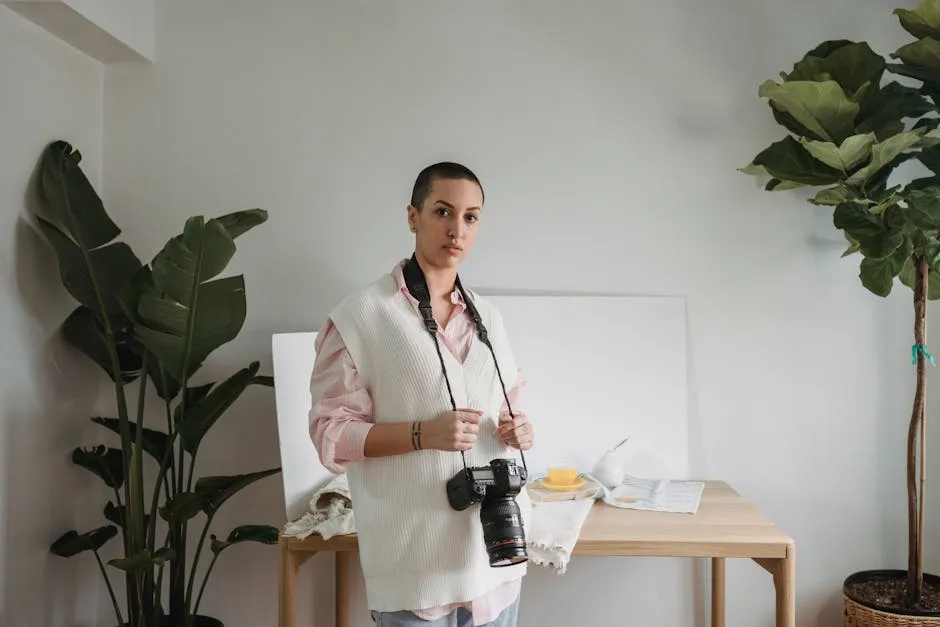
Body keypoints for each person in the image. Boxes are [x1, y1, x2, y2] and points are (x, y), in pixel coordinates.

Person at [308, 162, 536, 627]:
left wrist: (520, 430)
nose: (457, 229)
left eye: (471, 217)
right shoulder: (361, 317)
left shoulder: (489, 317)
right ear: (413, 216)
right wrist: (422, 434)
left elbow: (508, 401)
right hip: (414, 572)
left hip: (494, 562)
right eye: (443, 211)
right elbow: (331, 436)